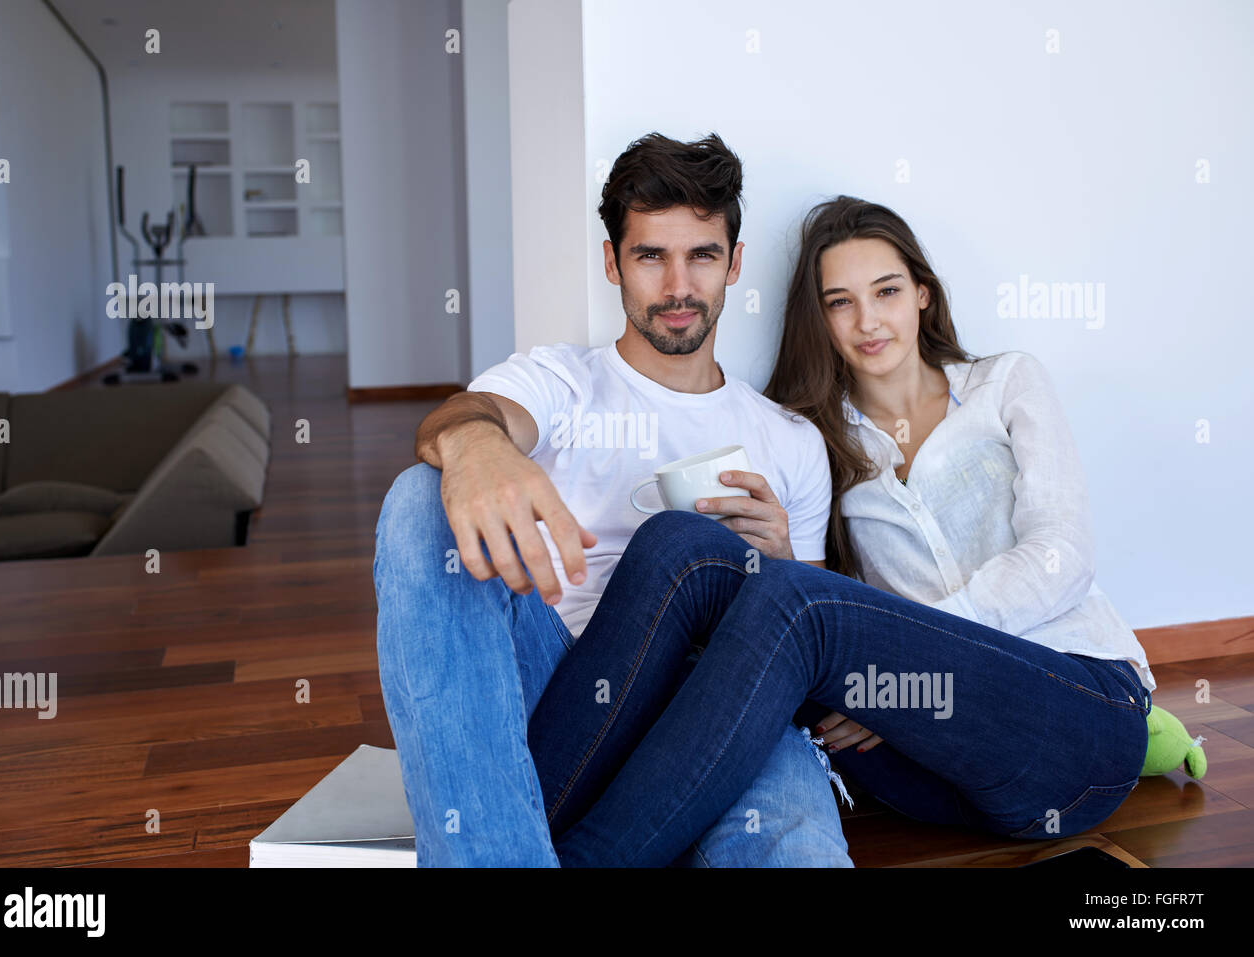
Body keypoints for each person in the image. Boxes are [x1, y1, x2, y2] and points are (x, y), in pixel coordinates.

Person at [527, 196, 1158, 867]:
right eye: (839, 302)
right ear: (819, 320)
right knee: (696, 552)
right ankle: (522, 835)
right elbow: (833, 601)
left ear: (922, 292)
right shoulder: (813, 439)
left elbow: (1063, 554)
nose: (867, 320)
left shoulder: (1006, 384)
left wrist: (905, 667)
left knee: (796, 610)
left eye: (886, 291)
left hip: (1081, 716)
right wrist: (791, 574)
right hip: (931, 770)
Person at [372, 132, 854, 866]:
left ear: (735, 262)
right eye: (650, 255)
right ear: (612, 262)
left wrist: (782, 564)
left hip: (722, 697)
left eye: (701, 255)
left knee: (791, 839)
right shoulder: (564, 383)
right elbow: (461, 419)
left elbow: (815, 654)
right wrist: (476, 445)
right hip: (561, 692)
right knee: (420, 498)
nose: (678, 286)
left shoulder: (789, 440)